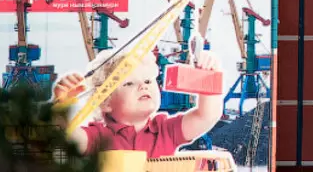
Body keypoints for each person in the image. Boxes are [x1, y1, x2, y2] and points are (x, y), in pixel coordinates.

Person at [52, 49, 223, 159]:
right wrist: (61, 105)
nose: (143, 86)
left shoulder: (165, 129)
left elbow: (206, 115)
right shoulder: (97, 136)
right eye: (129, 83)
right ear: (105, 102)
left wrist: (209, 75)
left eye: (148, 80)